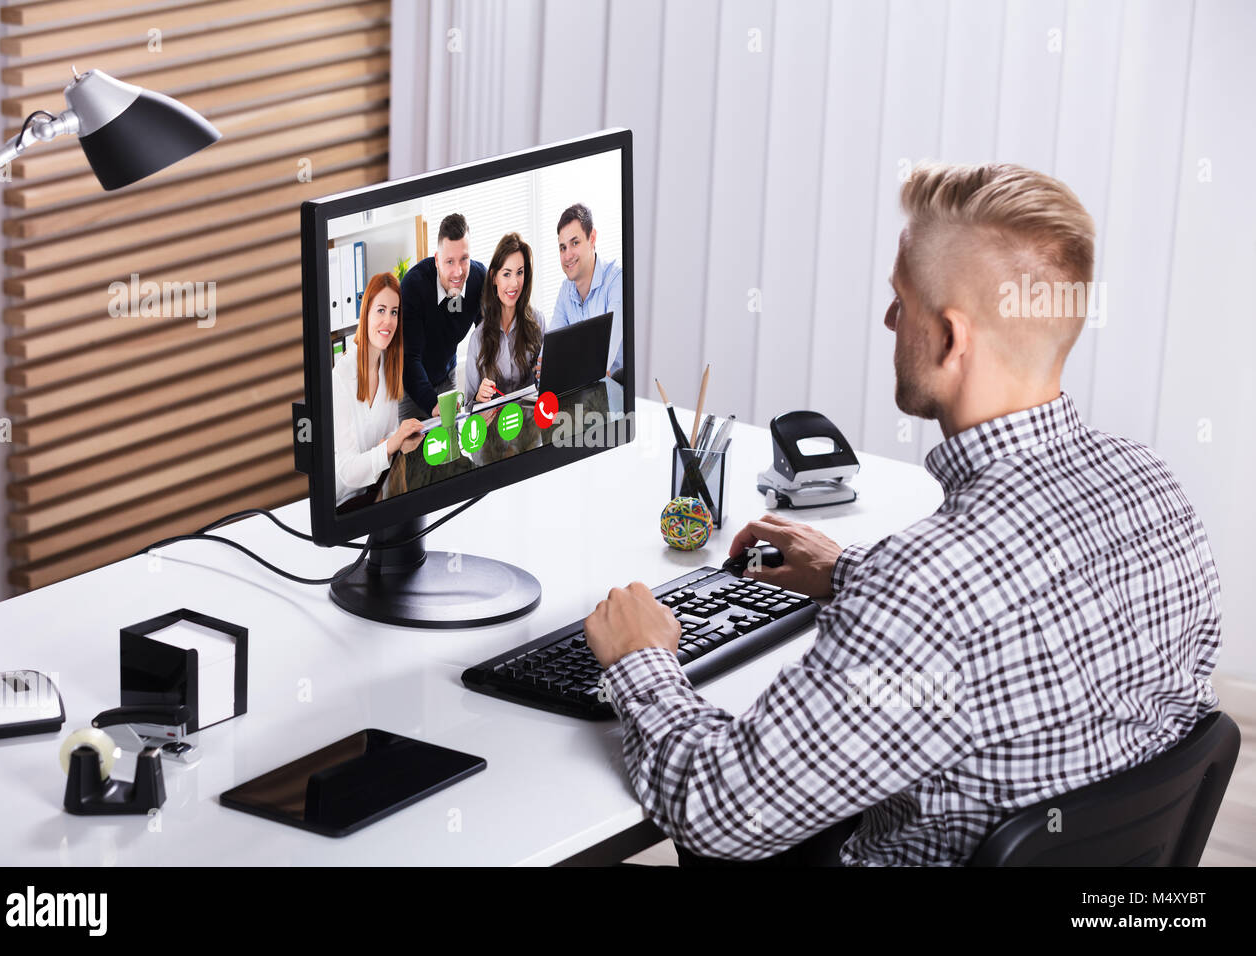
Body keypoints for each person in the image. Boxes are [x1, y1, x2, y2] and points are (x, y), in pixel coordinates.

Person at [582, 162, 1222, 866]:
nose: (889, 319)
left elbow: (719, 810)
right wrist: (850, 570)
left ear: (950, 339)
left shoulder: (927, 591)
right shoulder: (1156, 489)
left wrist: (642, 658)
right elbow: (1012, 623)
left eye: (901, 299)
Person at [331, 271, 424, 507]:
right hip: (343, 501)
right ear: (366, 313)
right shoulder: (340, 377)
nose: (388, 321)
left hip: (375, 493)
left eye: (394, 312)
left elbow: (388, 434)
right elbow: (347, 471)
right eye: (381, 310)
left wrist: (400, 441)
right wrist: (391, 445)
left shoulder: (389, 368)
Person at [398, 213, 487, 421]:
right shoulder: (413, 287)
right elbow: (410, 359)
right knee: (413, 450)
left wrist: (484, 381)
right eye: (449, 262)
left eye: (464, 259)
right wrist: (432, 404)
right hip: (410, 385)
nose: (458, 272)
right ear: (437, 260)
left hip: (447, 374)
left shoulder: (478, 278)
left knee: (450, 446)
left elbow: (487, 336)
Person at [464, 232, 545, 425]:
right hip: (493, 443)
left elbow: (548, 389)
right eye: (506, 274)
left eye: (520, 272)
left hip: (530, 434)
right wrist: (478, 397)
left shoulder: (538, 322)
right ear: (494, 278)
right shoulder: (478, 339)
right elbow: (469, 408)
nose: (514, 283)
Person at [549, 203, 623, 377]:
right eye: (562, 247)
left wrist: (566, 359)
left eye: (575, 243)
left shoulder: (616, 281)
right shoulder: (565, 291)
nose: (567, 256)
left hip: (615, 395)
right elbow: (547, 361)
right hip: (580, 397)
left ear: (592, 238)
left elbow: (601, 361)